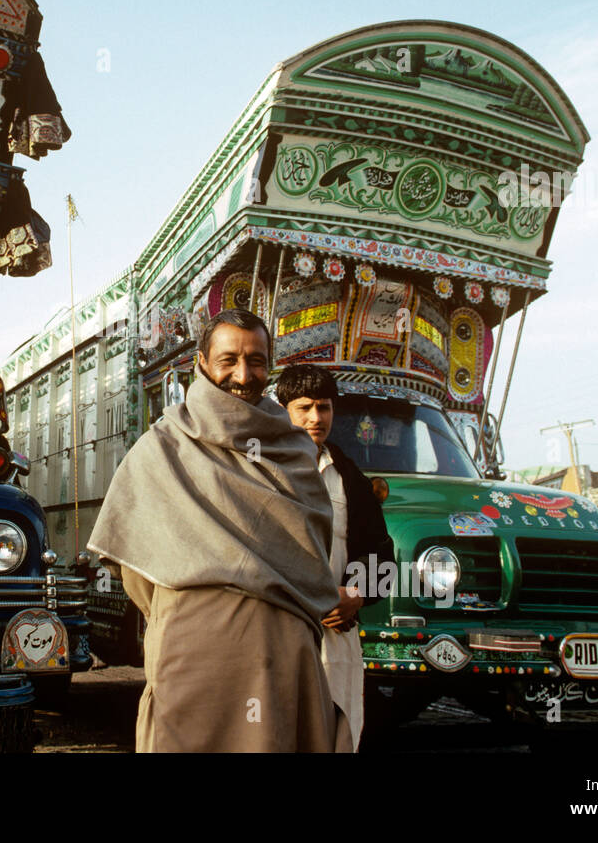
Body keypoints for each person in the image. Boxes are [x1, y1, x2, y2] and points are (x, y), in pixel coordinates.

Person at [88, 309, 339, 752]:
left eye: (256, 360)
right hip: (193, 651)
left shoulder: (293, 449)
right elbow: (137, 572)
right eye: (229, 360)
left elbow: (313, 550)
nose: (243, 375)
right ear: (202, 363)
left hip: (281, 653)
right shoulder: (162, 447)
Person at [276, 362, 395, 752]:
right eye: (305, 407)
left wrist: (356, 596)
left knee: (339, 733)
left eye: (324, 407)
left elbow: (380, 551)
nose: (316, 417)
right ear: (283, 410)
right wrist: (313, 598)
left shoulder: (348, 476)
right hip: (278, 631)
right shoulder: (262, 468)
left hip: (337, 636)